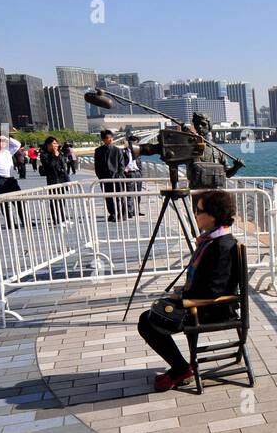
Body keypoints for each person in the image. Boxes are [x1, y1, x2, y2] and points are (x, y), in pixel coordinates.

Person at [137, 189, 238, 391]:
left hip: (210, 309)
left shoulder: (220, 246)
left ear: (212, 215)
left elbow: (213, 290)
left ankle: (181, 368)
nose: (195, 214)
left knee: (147, 322)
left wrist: (183, 296)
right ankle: (182, 366)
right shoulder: (215, 239)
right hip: (204, 304)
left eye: (198, 210)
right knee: (151, 315)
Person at [0, 133, 25, 227]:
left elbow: (17, 144)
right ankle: (10, 223)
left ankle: (25, 220)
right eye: (0, 141)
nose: (2, 143)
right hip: (0, 180)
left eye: (4, 141)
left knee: (20, 201)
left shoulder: (8, 152)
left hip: (11, 179)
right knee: (4, 203)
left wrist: (7, 137)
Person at [93, 129, 127, 221]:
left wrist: (119, 175)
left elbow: (121, 165)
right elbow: (97, 166)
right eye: (108, 138)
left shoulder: (117, 150)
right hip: (105, 178)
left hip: (117, 177)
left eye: (111, 137)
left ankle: (122, 214)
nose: (110, 139)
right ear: (103, 139)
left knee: (120, 196)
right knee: (108, 197)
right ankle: (112, 213)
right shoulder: (98, 151)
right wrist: (101, 177)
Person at [37, 135, 71, 222]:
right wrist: (55, 156)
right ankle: (56, 219)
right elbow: (49, 166)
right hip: (53, 180)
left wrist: (67, 179)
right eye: (54, 143)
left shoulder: (59, 152)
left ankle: (63, 218)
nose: (56, 145)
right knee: (54, 200)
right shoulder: (44, 155)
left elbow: (63, 165)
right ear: (48, 145)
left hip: (61, 179)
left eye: (56, 143)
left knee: (62, 200)